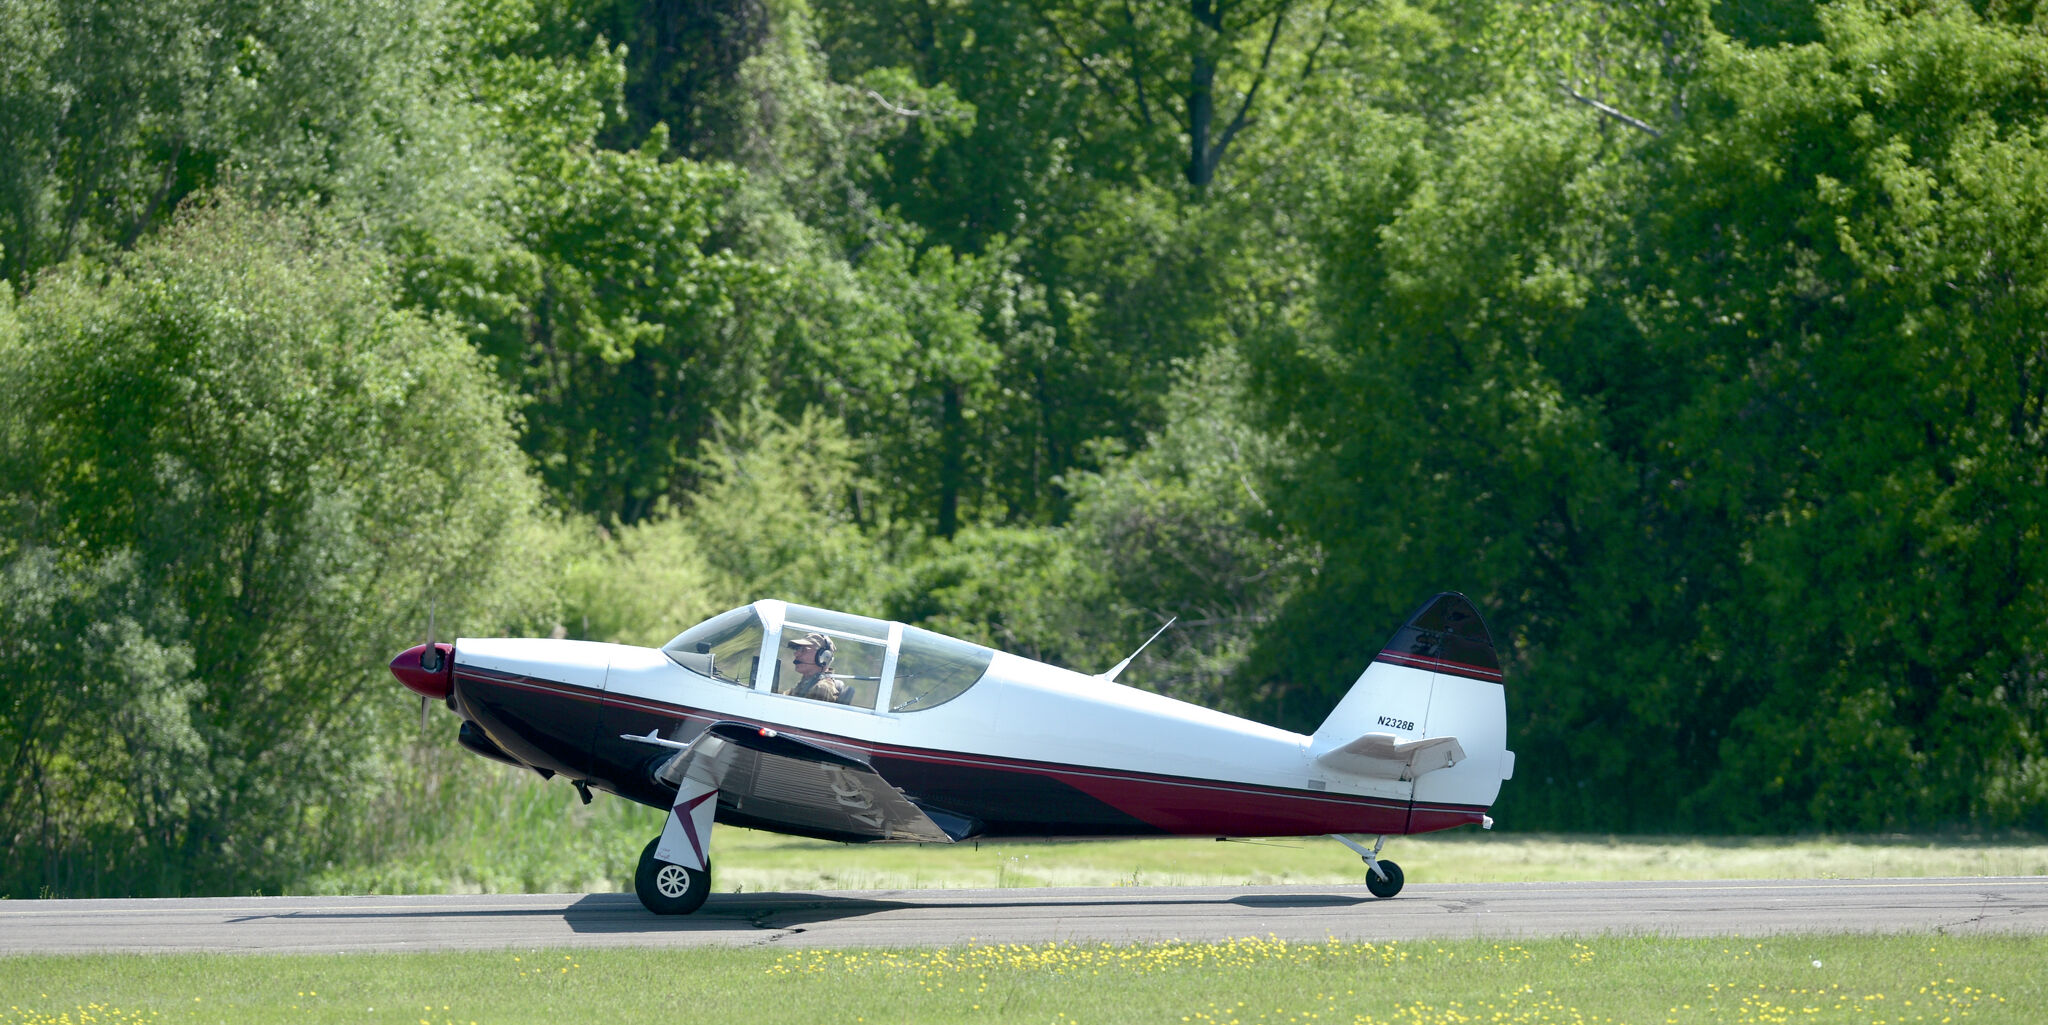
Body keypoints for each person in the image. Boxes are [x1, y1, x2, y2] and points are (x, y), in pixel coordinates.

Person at [786, 632, 847, 703]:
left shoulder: (821, 688)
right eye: (797, 649)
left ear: (824, 657)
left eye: (804, 650)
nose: (796, 654)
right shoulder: (806, 683)